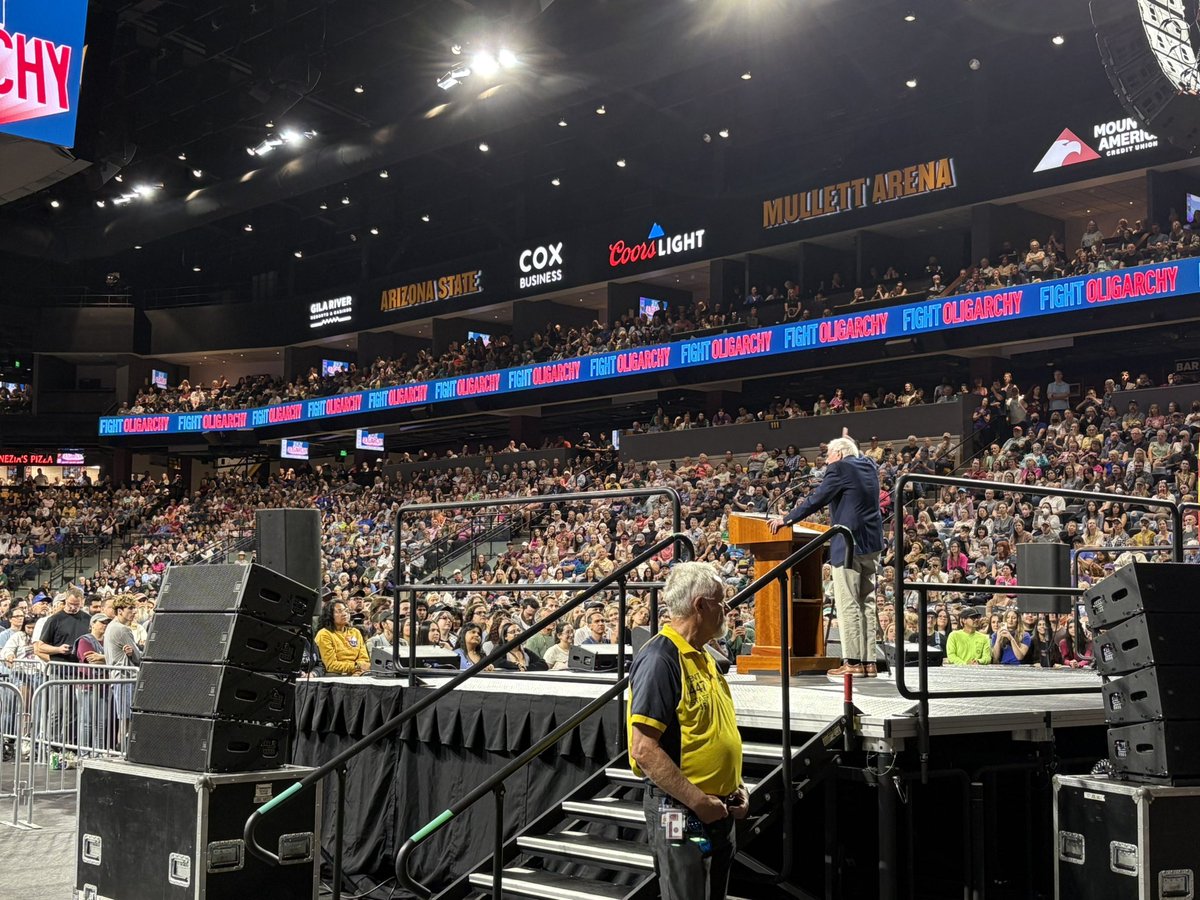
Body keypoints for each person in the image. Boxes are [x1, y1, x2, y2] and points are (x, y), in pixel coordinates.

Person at [628, 562, 748, 900]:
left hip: (719, 809)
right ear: (700, 605)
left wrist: (737, 787)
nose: (727, 609)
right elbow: (643, 749)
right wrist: (698, 801)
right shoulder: (660, 659)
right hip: (679, 810)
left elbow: (716, 729)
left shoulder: (705, 656)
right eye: (721, 602)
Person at [769, 436, 883, 678]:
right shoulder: (869, 467)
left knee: (848, 602)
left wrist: (786, 519)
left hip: (849, 543)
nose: (826, 462)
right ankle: (869, 662)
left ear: (839, 454)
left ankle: (852, 663)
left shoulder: (840, 467)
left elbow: (816, 499)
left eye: (828, 456)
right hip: (872, 543)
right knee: (867, 602)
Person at [314, 600, 370, 676]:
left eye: (346, 611)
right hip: (334, 676)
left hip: (358, 673)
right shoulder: (324, 634)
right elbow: (331, 665)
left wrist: (357, 672)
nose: (345, 614)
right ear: (330, 615)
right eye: (339, 611)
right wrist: (356, 667)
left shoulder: (355, 632)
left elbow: (364, 659)